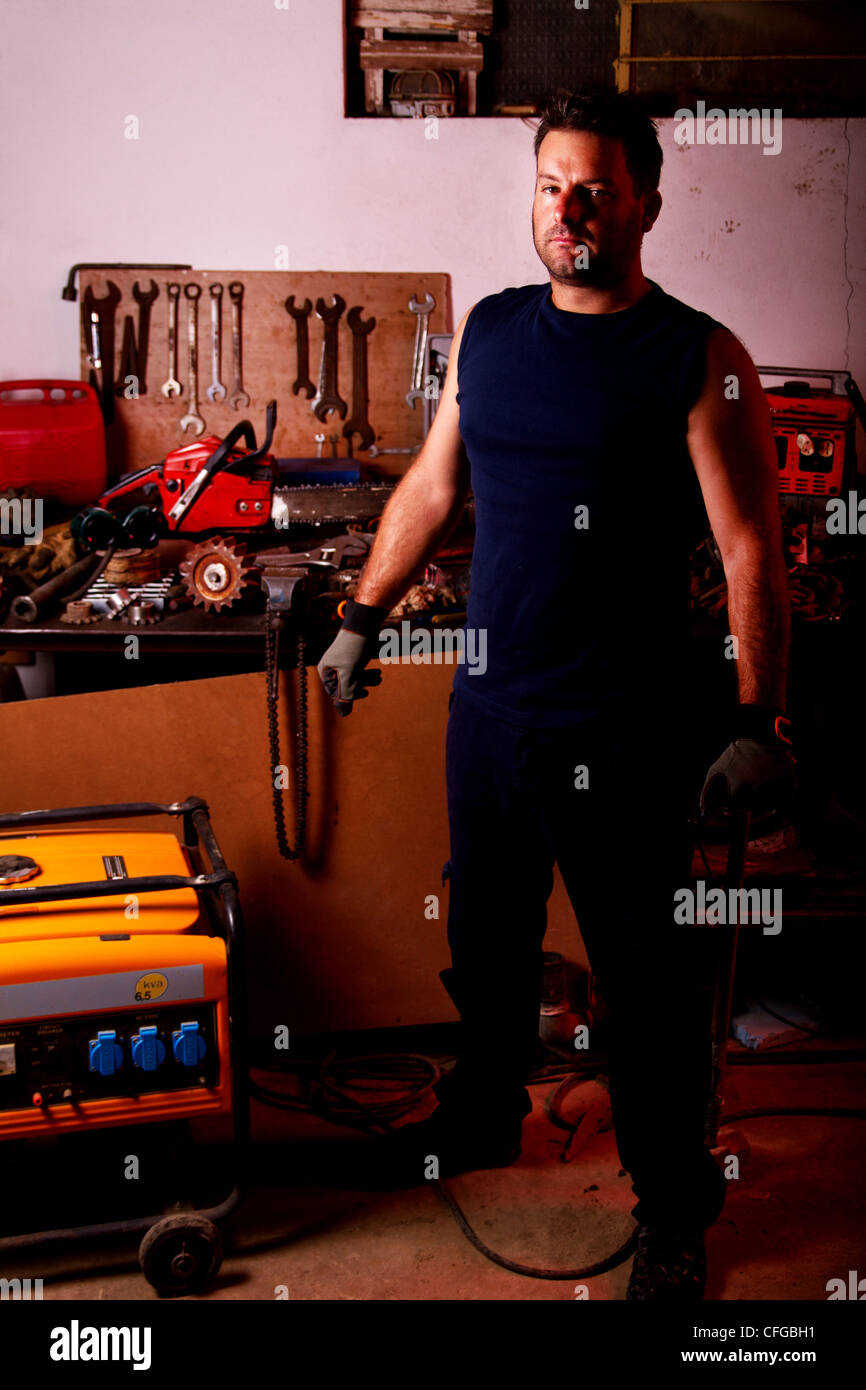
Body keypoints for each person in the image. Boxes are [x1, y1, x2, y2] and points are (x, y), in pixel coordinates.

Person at [317, 92, 795, 1301]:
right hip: (491, 718)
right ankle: (481, 1118)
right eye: (548, 185)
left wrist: (754, 719)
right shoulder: (485, 333)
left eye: (592, 187)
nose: (567, 207)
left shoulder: (695, 355)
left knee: (645, 988)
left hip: (628, 731)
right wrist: (359, 620)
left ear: (642, 200)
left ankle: (674, 1213)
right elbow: (430, 490)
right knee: (484, 947)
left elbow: (748, 547)